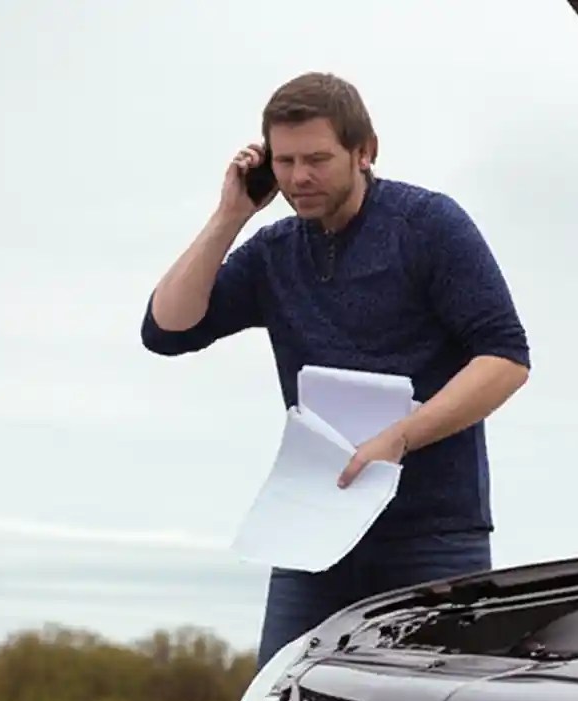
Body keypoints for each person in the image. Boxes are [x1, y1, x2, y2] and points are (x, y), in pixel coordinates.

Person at [139, 71, 531, 668]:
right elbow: (166, 329)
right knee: (287, 699)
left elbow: (505, 358)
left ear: (364, 150)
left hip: (432, 537)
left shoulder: (428, 227)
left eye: (318, 159)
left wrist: (399, 437)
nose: (299, 177)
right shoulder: (274, 251)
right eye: (285, 160)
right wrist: (229, 216)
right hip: (311, 531)